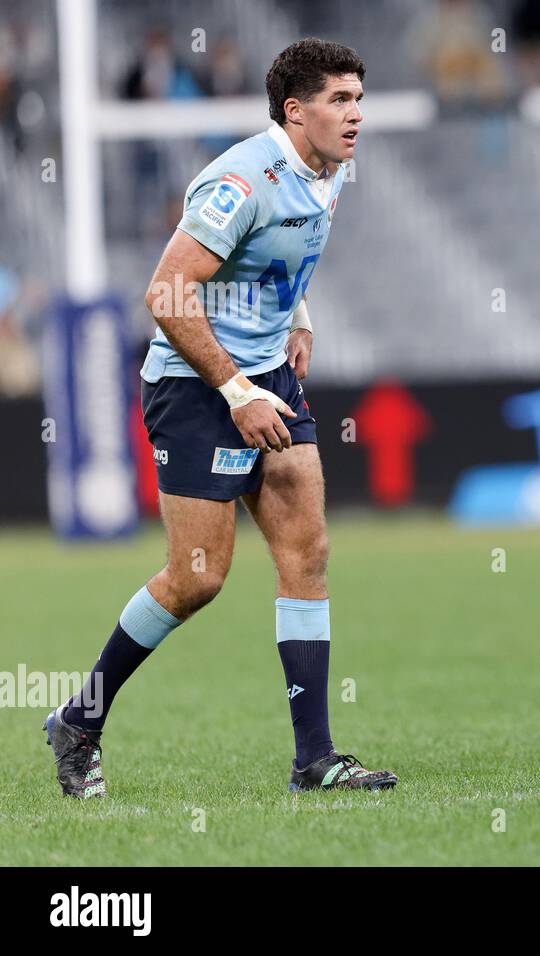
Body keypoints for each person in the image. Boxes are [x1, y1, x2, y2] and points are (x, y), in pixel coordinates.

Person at [44, 38, 398, 797]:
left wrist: (297, 315)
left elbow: (277, 255)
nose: (356, 114)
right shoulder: (242, 179)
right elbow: (167, 291)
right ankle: (81, 717)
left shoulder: (329, 167)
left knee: (307, 552)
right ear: (294, 111)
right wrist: (236, 391)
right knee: (197, 578)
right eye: (340, 100)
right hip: (198, 385)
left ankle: (315, 760)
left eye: (359, 99)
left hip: (266, 373)